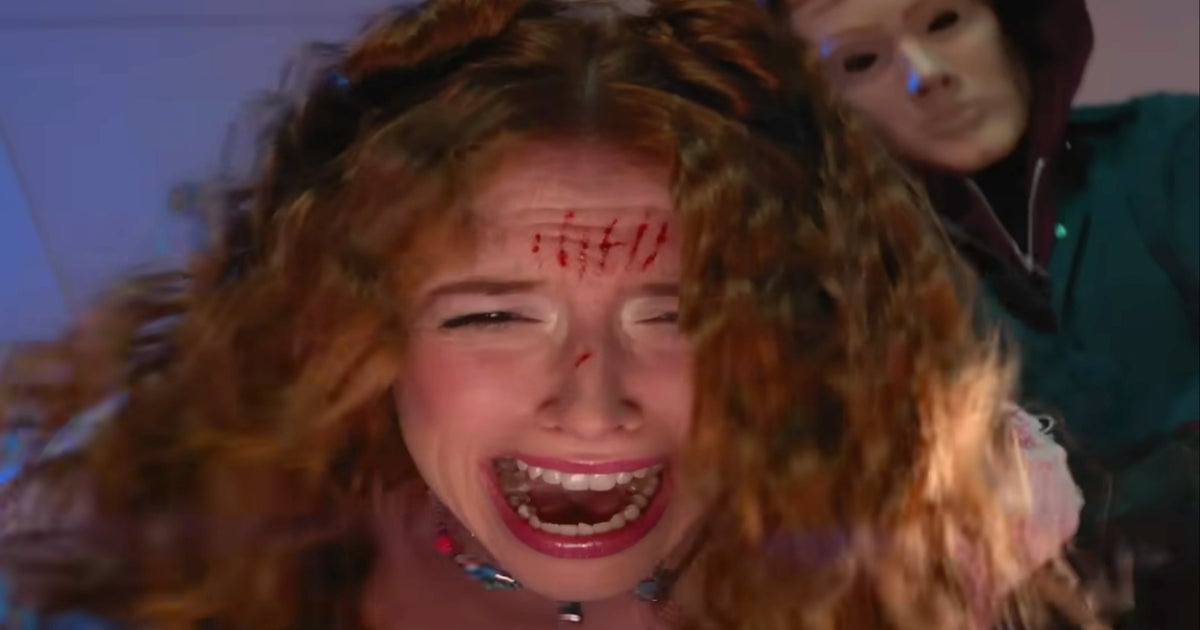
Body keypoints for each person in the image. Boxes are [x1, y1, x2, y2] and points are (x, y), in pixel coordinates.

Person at [1, 1, 1084, 628]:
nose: (593, 401)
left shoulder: (929, 545)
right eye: (492, 320)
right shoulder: (161, 559)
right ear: (362, 340)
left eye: (682, 316)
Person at [770, 0, 1198, 625]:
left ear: (1012, 18)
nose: (925, 74)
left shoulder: (1170, 151)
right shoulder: (833, 287)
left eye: (942, 20)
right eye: (860, 61)